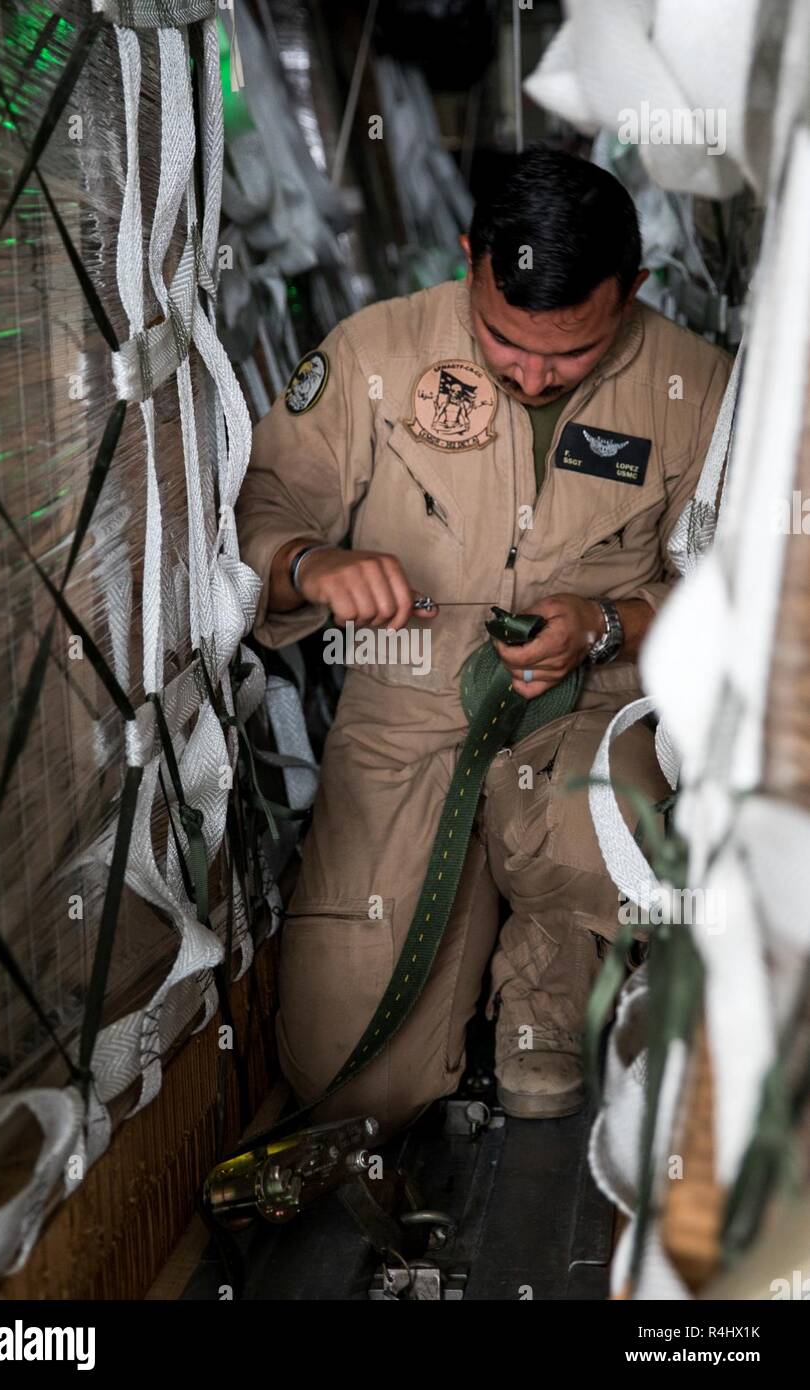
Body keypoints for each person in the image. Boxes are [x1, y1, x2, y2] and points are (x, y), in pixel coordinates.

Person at [236, 146, 731, 1138]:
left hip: (589, 704)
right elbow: (248, 517)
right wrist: (305, 565)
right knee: (348, 1077)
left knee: (594, 833)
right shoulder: (372, 355)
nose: (531, 376)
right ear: (467, 259)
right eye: (505, 343)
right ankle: (485, 912)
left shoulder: (695, 388)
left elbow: (739, 593)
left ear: (630, 290)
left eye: (569, 354)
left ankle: (548, 962)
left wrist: (606, 623)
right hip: (405, 711)